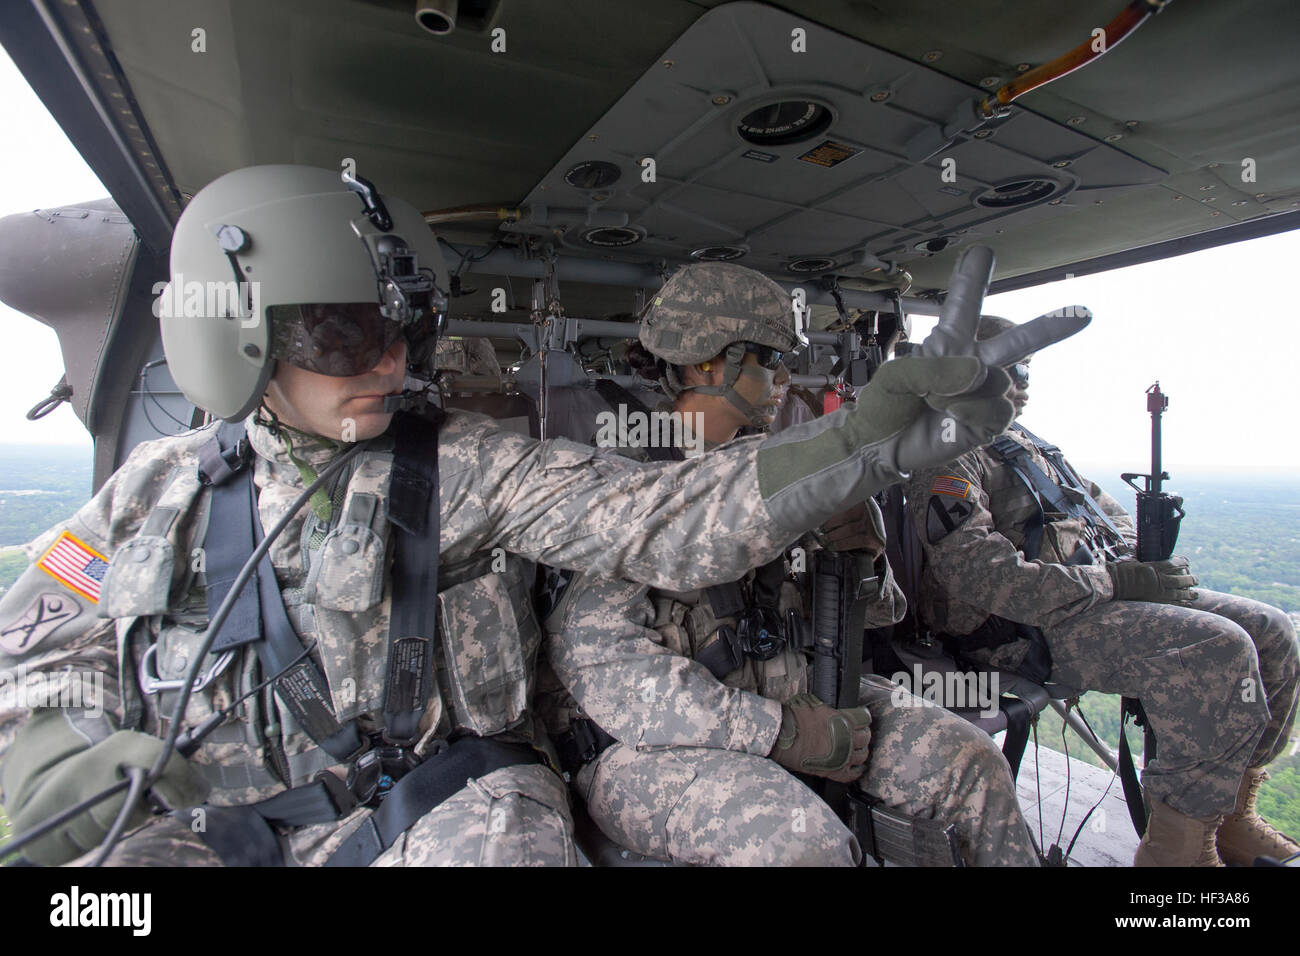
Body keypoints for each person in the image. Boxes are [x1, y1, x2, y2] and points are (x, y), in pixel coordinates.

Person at [0, 165, 1076, 867]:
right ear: (234, 339)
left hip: (440, 803)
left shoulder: (464, 466)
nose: (386, 361)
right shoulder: (148, 495)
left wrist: (860, 444)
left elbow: (657, 518)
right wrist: (64, 746)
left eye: (404, 329)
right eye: (337, 333)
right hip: (217, 823)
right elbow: (39, 645)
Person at [538, 263, 1041, 866]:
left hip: (808, 695)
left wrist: (866, 557)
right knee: (801, 845)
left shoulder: (786, 464)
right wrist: (775, 733)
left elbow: (882, 615)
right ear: (706, 363)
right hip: (652, 744)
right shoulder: (620, 484)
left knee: (971, 764)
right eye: (768, 359)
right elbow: (605, 671)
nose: (783, 377)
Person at [905, 315, 1299, 866]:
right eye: (1008, 369)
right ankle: (1177, 852)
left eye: (1026, 369)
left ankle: (1230, 816)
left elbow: (1103, 515)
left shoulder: (1026, 445)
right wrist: (1113, 581)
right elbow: (977, 575)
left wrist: (1147, 563)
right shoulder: (946, 453)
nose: (1021, 382)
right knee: (1217, 648)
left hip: (1090, 601)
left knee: (1272, 631)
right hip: (1015, 630)